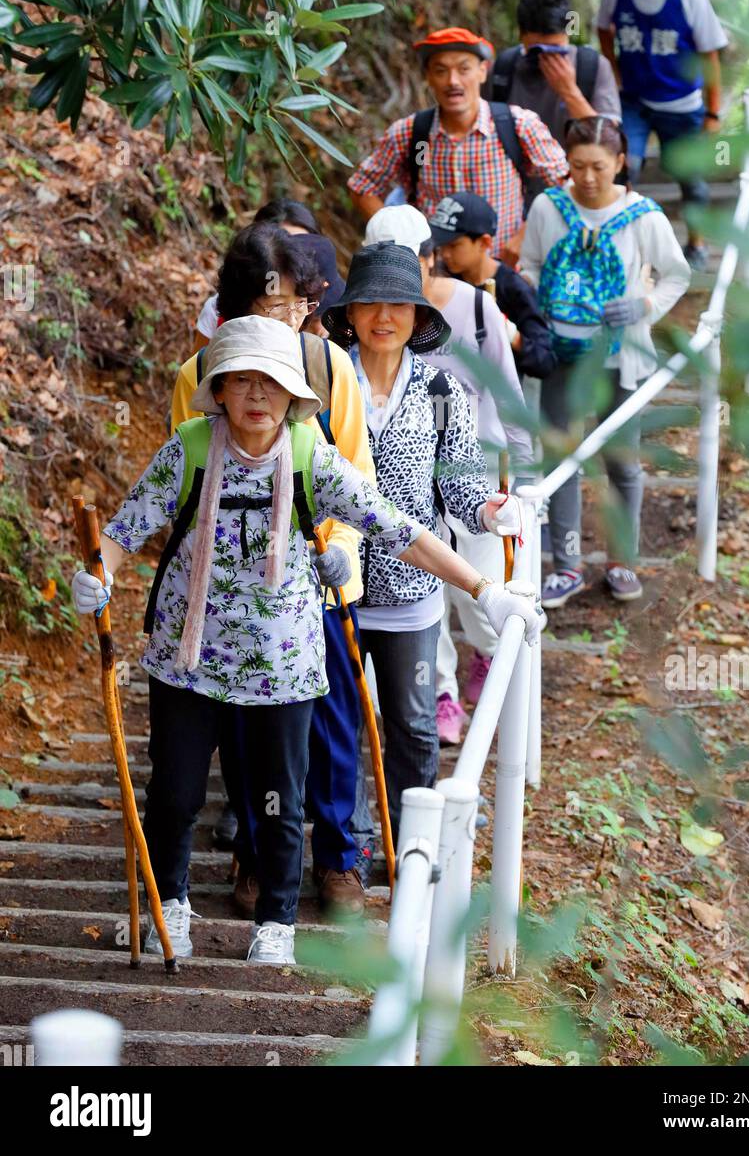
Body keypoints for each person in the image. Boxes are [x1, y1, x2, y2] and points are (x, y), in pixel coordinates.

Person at [72, 316, 540, 964]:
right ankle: (169, 904)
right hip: (188, 655)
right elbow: (126, 527)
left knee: (279, 798)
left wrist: (484, 588)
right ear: (221, 391)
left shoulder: (309, 454)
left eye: (271, 383)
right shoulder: (191, 448)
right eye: (242, 381)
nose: (256, 396)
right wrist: (97, 575)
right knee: (175, 793)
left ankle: (277, 921)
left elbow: (398, 528)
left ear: (294, 395)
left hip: (281, 659)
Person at [172, 223, 377, 916]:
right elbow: (190, 480)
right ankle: (254, 855)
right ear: (233, 310)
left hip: (318, 579)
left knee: (333, 723)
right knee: (247, 737)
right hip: (233, 595)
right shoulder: (199, 377)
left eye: (293, 306)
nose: (282, 320)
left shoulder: (328, 369)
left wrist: (340, 552)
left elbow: (357, 476)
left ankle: (337, 857)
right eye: (266, 309)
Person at [322, 243, 527, 837]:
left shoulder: (441, 392)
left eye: (399, 304)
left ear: (417, 315)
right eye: (370, 304)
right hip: (333, 583)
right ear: (352, 311)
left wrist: (488, 510)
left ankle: (411, 840)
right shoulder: (327, 382)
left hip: (413, 589)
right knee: (338, 722)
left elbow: (458, 485)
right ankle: (350, 843)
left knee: (412, 724)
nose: (384, 317)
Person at [522, 116, 690, 608]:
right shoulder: (548, 208)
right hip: (560, 356)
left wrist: (645, 305)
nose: (588, 177)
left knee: (622, 462)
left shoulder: (643, 216)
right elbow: (529, 264)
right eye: (577, 166)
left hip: (621, 360)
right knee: (562, 460)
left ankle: (622, 564)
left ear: (620, 162)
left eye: (598, 166)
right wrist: (539, 298)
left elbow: (676, 275)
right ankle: (567, 566)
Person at [417, 223, 537, 741]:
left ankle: (490, 662)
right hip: (411, 476)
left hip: (478, 469)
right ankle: (440, 692)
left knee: (475, 587)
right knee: (427, 594)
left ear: (430, 257)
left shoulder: (477, 308)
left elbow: (507, 394)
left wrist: (527, 480)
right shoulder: (376, 321)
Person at [346, 27, 569, 262]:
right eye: (441, 71)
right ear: (428, 77)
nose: (453, 81)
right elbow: (362, 188)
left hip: (502, 270)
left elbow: (566, 185)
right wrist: (401, 242)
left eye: (464, 69)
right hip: (436, 277)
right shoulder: (412, 133)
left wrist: (527, 234)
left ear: (483, 72)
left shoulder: (518, 125)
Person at [596, 0, 727, 272]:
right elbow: (603, 29)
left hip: (682, 104)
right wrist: (613, 68)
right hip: (634, 100)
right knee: (625, 168)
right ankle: (624, 246)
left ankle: (696, 244)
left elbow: (710, 55)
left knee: (691, 179)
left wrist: (713, 114)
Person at [484, 0, 621, 188]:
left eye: (555, 49)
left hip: (578, 186)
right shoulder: (503, 69)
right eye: (537, 50)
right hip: (517, 189)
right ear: (521, 35)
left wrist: (570, 92)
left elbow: (608, 142)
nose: (546, 59)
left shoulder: (592, 67)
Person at [428, 191, 556, 381]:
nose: (444, 254)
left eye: (453, 246)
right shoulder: (439, 278)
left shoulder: (514, 289)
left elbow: (545, 361)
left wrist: (509, 333)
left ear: (484, 242)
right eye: (441, 245)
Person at [191, 198, 344, 351]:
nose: (289, 257)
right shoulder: (222, 311)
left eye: (304, 245)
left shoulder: (328, 324)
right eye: (277, 305)